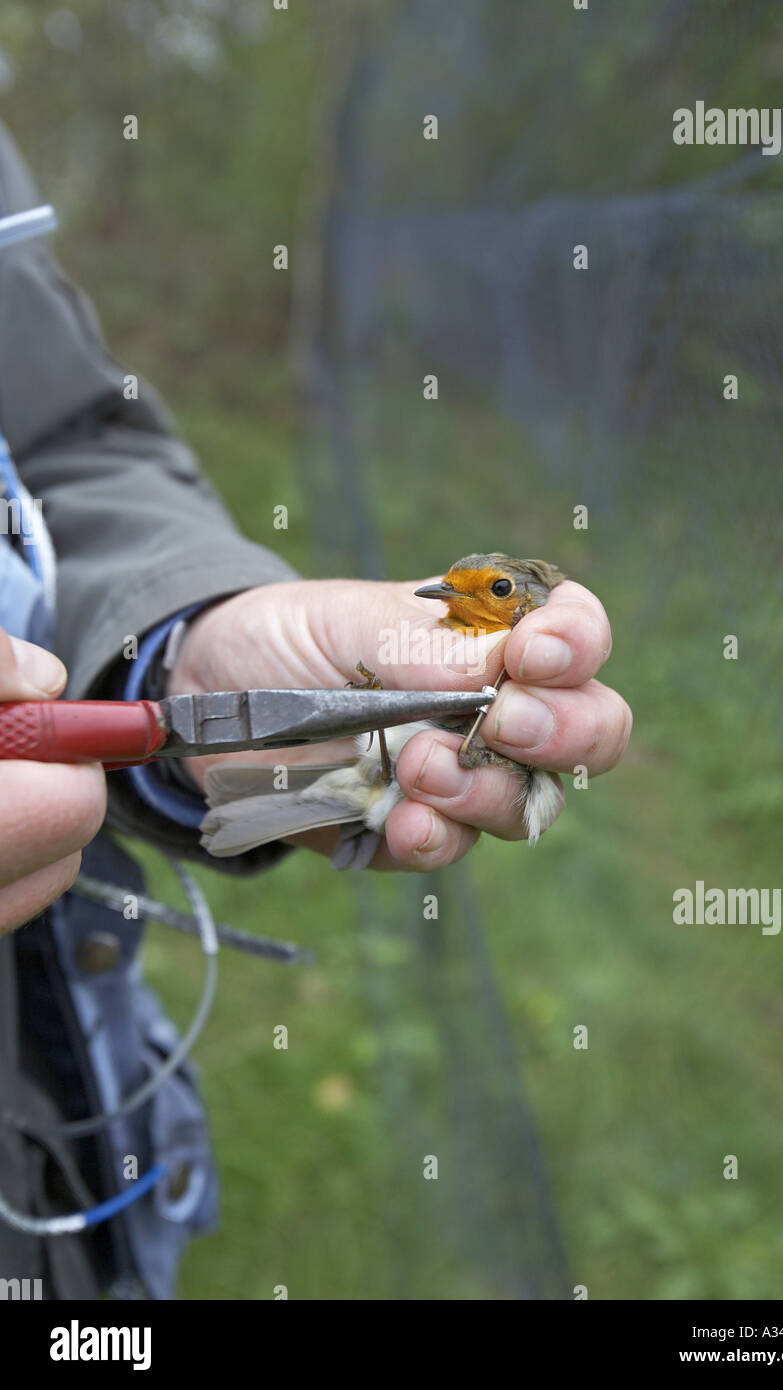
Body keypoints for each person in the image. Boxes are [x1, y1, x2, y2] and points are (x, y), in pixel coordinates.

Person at [0, 119, 631, 1299]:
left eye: (484, 598)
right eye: (471, 595)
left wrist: (179, 636)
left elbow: (57, 442)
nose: (458, 603)